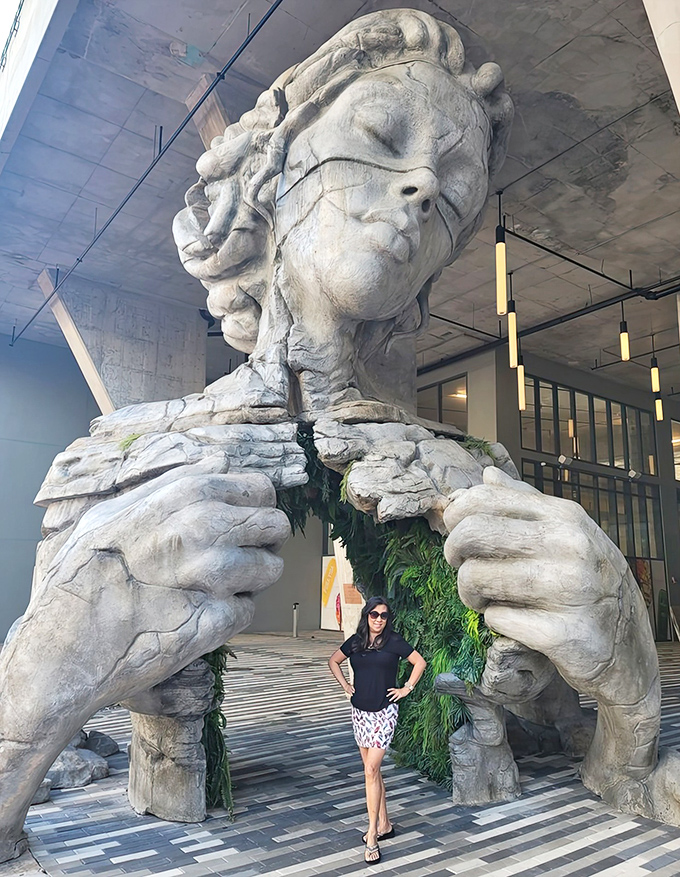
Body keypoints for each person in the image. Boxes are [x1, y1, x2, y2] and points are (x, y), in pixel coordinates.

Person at [328, 596, 427, 864]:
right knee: (374, 772)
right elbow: (333, 661)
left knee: (370, 770)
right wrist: (346, 686)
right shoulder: (357, 642)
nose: (379, 620)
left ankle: (372, 834)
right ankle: (385, 823)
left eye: (383, 615)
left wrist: (407, 688)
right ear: (366, 616)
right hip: (359, 712)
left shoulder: (393, 641)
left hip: (384, 712)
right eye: (374, 615)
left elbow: (419, 662)